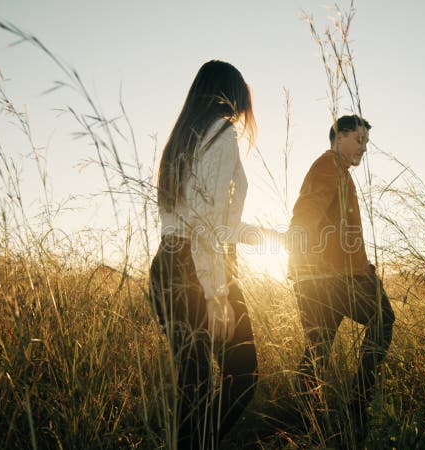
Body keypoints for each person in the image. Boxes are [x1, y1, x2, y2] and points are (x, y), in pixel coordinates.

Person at [149, 60, 262, 449]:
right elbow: (206, 227)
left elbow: (193, 221)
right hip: (197, 270)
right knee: (243, 374)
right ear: (230, 92)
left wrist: (270, 237)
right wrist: (216, 296)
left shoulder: (182, 138)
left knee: (194, 389)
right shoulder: (223, 132)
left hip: (168, 265)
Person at [286, 115, 395, 441]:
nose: (363, 148)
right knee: (383, 319)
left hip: (322, 274)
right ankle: (358, 405)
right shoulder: (329, 165)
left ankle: (305, 421)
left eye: (366, 143)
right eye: (359, 140)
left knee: (319, 347)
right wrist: (298, 250)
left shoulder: (337, 170)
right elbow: (307, 209)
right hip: (337, 275)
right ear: (341, 136)